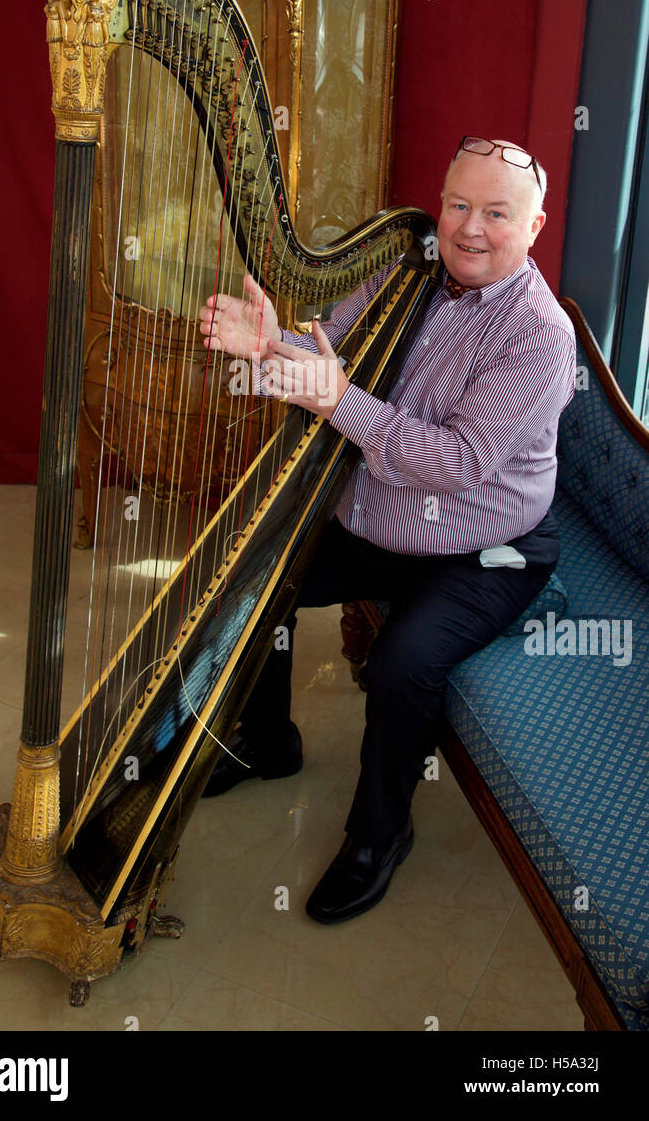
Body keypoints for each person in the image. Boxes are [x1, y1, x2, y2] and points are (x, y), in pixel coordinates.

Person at [197, 135, 577, 925]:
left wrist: (336, 398)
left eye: (497, 214)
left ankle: (379, 836)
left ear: (535, 227)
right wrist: (269, 343)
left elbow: (456, 461)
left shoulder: (539, 335)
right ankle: (269, 741)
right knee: (257, 570)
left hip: (485, 549)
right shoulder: (399, 269)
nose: (471, 228)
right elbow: (332, 365)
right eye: (459, 204)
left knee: (405, 661)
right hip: (379, 521)